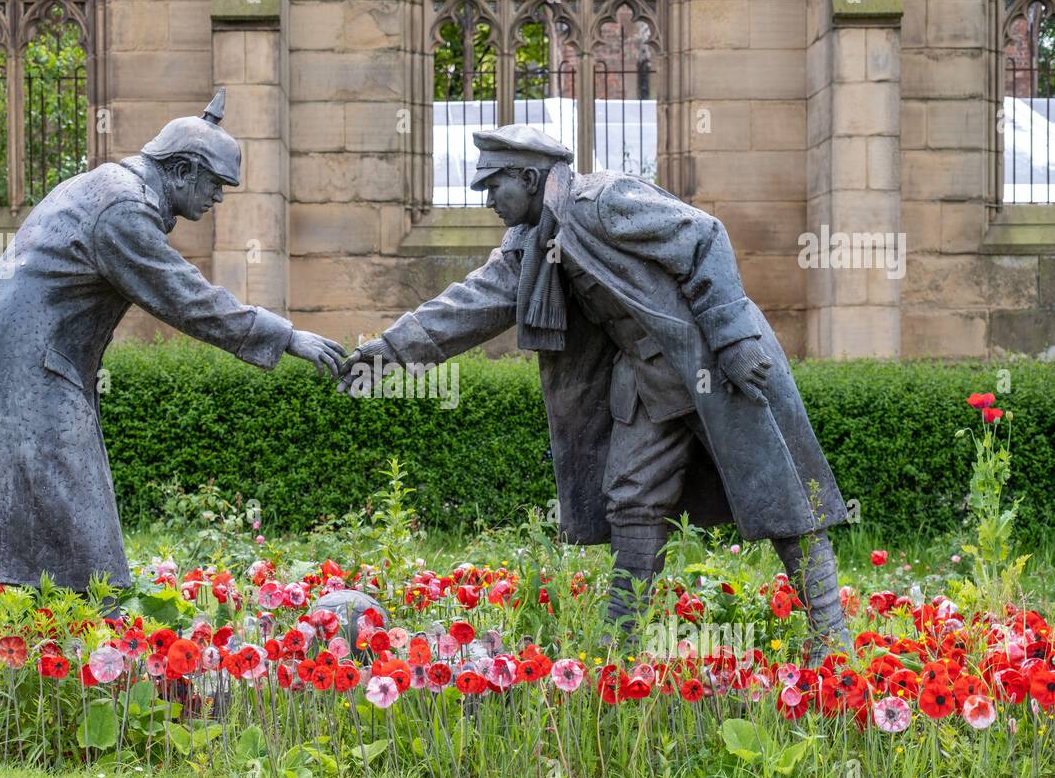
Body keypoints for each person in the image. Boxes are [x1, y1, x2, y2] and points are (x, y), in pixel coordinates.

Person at [338, 125, 851, 664]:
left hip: (715, 360)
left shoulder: (603, 200)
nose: (487, 200)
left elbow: (705, 236)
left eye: (493, 186)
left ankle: (830, 637)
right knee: (631, 497)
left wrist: (735, 339)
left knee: (781, 493)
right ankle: (623, 643)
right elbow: (465, 307)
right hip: (647, 378)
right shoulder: (529, 244)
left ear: (529, 177)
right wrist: (385, 353)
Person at [0, 90, 345, 617]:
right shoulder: (123, 207)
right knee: (82, 530)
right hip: (32, 365)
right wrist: (285, 335)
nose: (219, 199)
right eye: (216, 185)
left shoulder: (96, 183)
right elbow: (183, 296)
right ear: (182, 170)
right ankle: (121, 670)